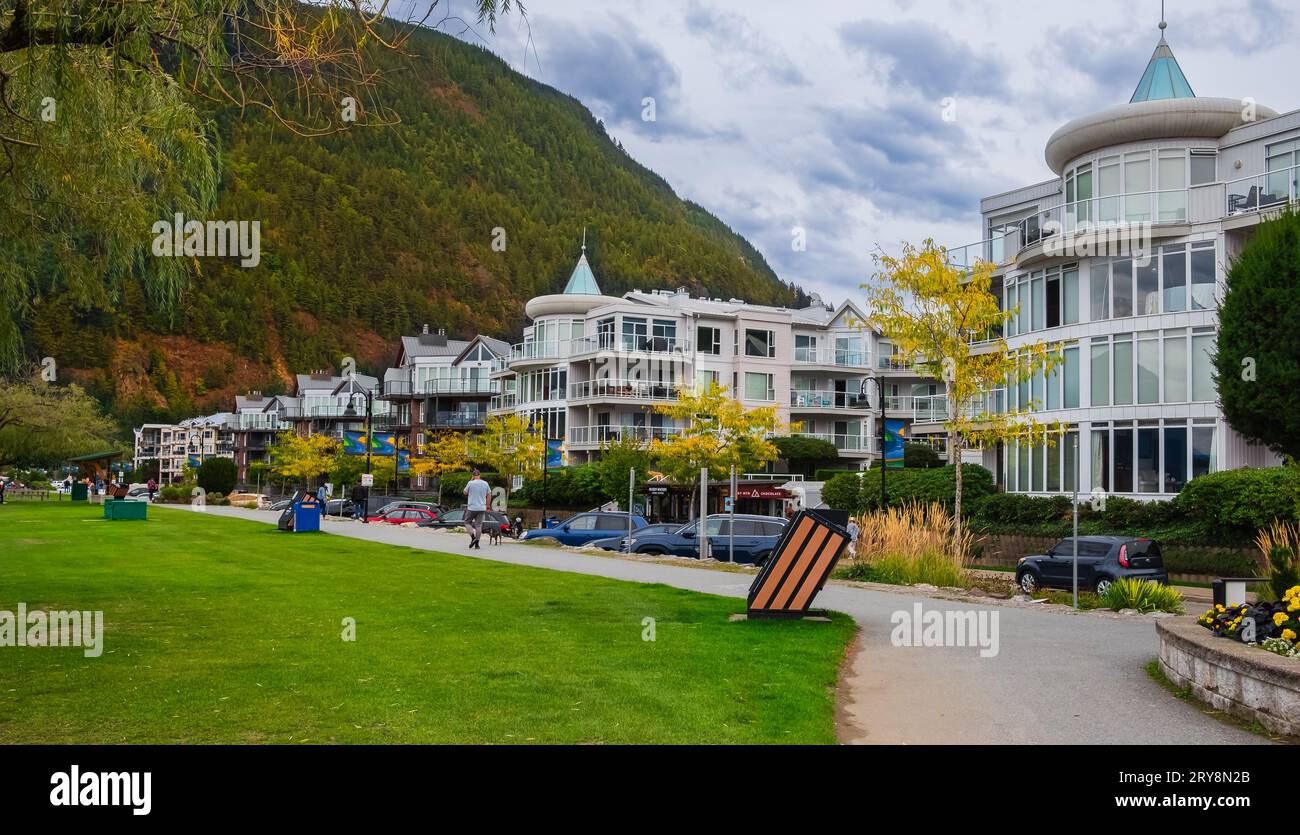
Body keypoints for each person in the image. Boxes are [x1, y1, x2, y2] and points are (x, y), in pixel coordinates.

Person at [463, 469, 490, 549]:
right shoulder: (485, 483)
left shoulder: (470, 483)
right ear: (479, 475)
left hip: (472, 507)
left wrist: (471, 480)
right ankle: (477, 544)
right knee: (478, 525)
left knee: (467, 522)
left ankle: (473, 537)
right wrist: (488, 506)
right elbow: (489, 495)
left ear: (473, 476)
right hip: (481, 507)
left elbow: (465, 492)